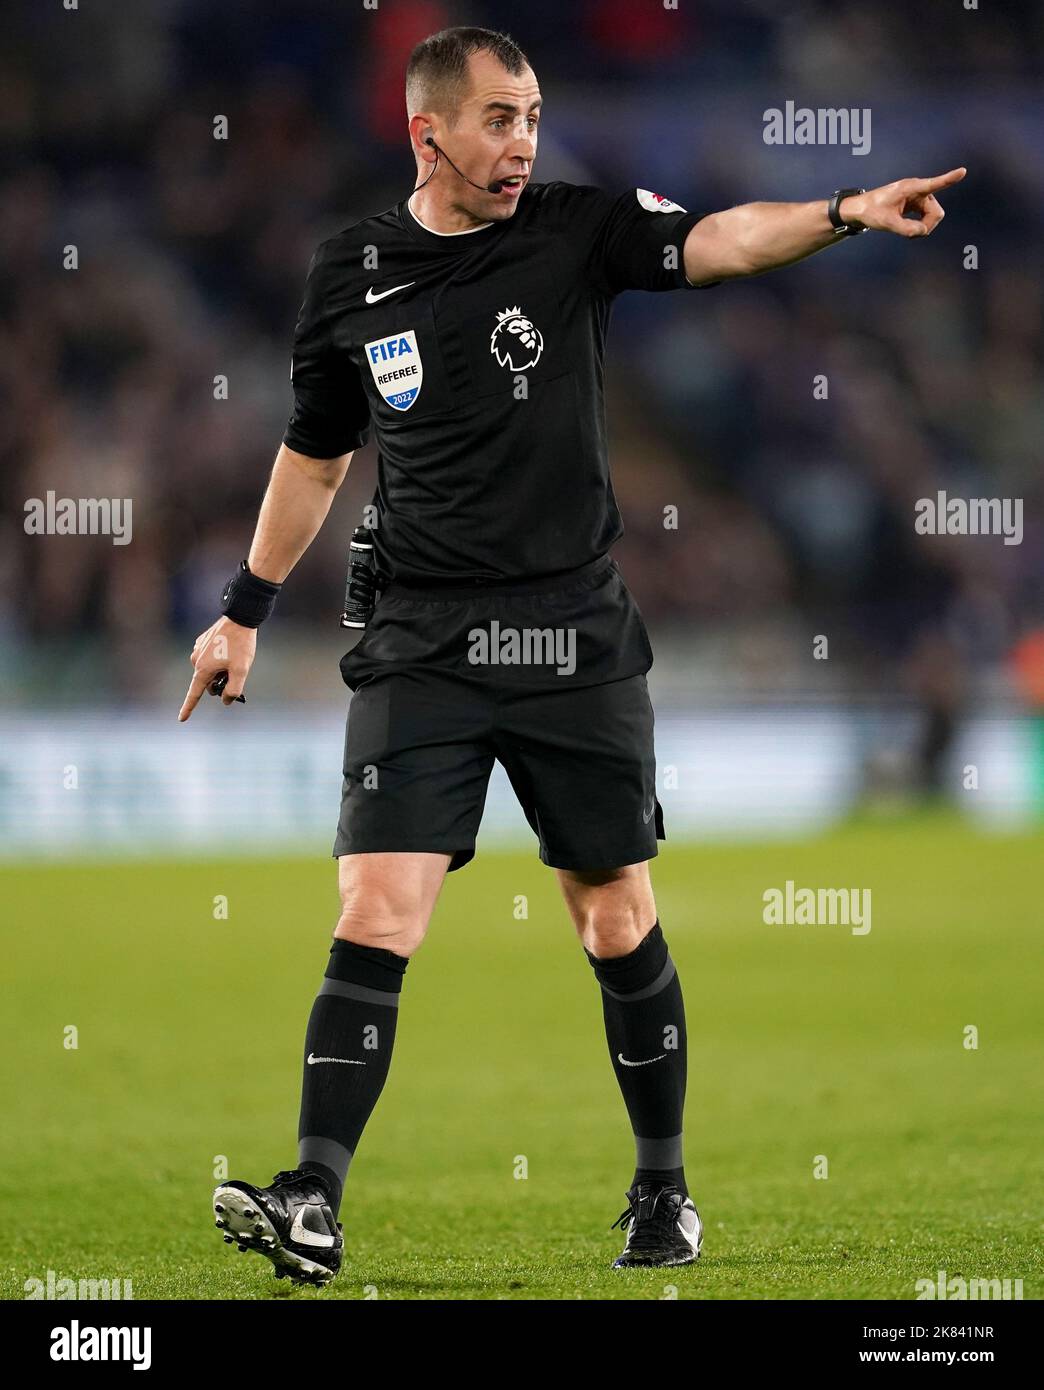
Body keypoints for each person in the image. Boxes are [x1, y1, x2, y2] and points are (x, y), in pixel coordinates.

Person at [179, 25, 965, 1284]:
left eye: (533, 114)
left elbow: (716, 240)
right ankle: (314, 1195)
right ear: (425, 130)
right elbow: (316, 455)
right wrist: (244, 608)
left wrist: (846, 210)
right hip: (422, 640)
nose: (524, 138)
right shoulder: (351, 271)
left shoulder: (578, 229)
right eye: (499, 117)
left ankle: (664, 1191)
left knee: (612, 916)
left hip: (573, 634)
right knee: (376, 908)